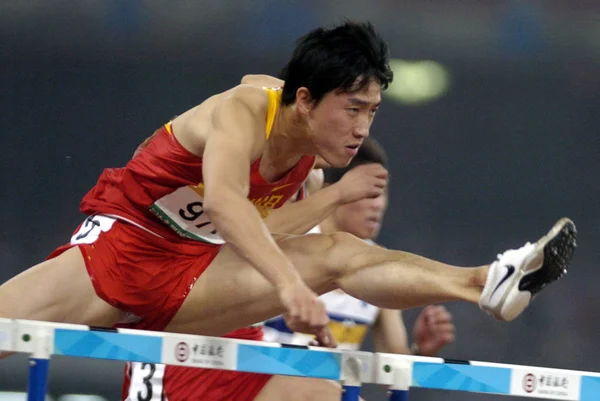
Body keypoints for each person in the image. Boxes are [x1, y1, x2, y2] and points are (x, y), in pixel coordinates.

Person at [0, 20, 576, 364]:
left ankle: (483, 282)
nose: (362, 130)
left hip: (196, 274)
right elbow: (225, 202)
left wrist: (302, 299)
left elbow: (266, 237)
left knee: (338, 253)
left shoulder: (313, 168)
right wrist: (287, 286)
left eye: (372, 112)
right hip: (117, 251)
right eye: (352, 110)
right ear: (305, 99)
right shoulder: (244, 110)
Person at [123, 139, 456, 401]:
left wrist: (420, 352)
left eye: (384, 194)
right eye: (371, 192)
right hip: (234, 384)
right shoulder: (276, 246)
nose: (379, 205)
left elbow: (390, 367)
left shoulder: (380, 270)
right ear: (330, 189)